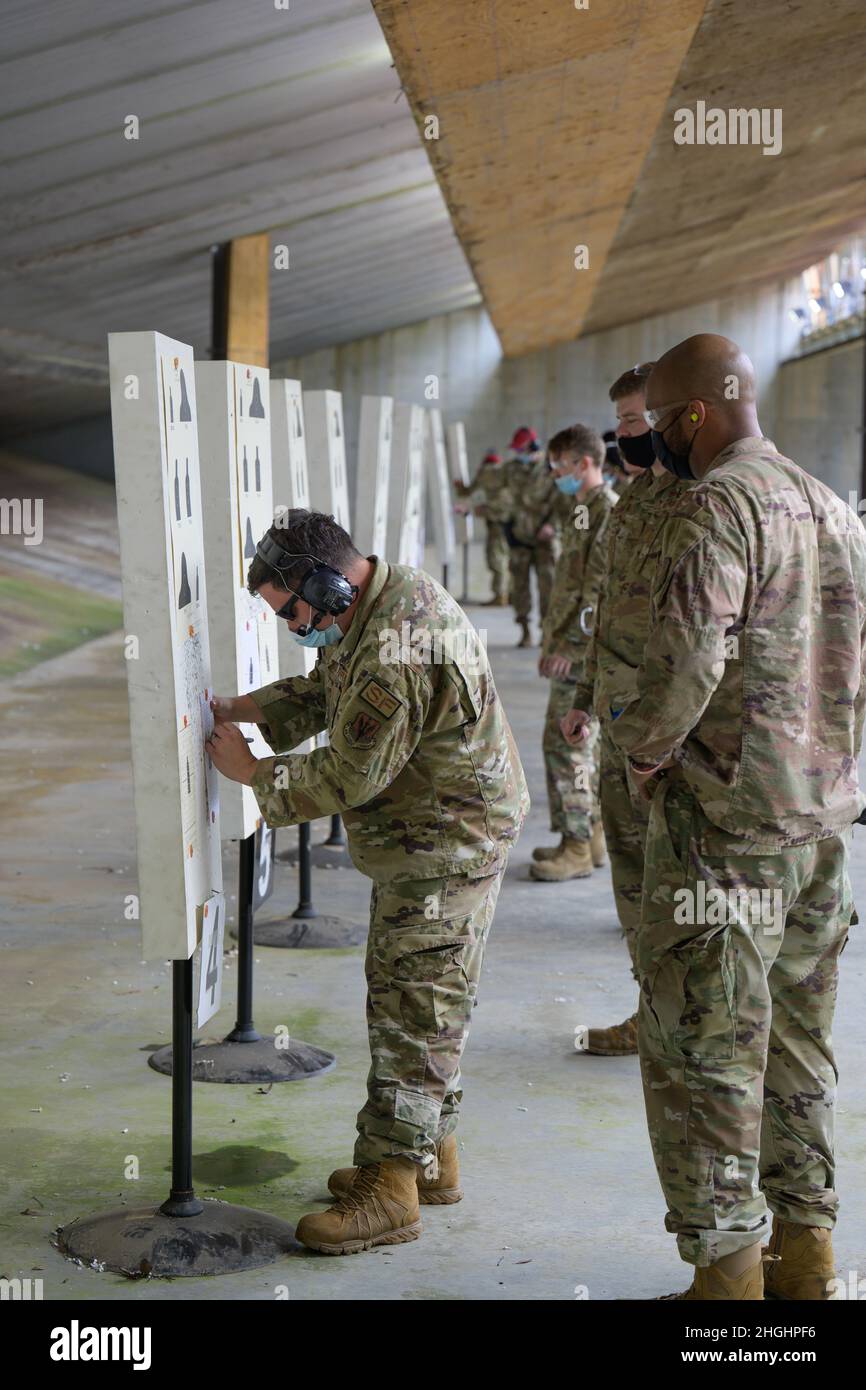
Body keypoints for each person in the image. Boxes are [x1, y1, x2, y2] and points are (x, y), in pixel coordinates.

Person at [589, 333, 866, 1299]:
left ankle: (729, 1279)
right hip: (820, 835)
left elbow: (686, 664)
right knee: (795, 1046)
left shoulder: (719, 505)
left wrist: (642, 750)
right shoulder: (833, 505)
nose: (657, 444)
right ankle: (807, 1258)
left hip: (726, 840)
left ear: (695, 416)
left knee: (702, 1052)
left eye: (662, 425)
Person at [206, 509, 528, 1256]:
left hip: (447, 842)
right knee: (426, 993)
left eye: (290, 611)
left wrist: (253, 774)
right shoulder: (377, 602)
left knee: (413, 1006)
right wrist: (242, 708)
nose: (293, 627)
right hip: (437, 832)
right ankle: (431, 1159)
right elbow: (328, 695)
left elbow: (352, 772)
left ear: (325, 583)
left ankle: (393, 1189)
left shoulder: (395, 645)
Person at [562, 364, 688, 1055]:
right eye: (621, 427)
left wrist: (663, 738)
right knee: (635, 883)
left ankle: (686, 1025)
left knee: (677, 888)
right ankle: (652, 1013)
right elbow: (606, 612)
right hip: (617, 728)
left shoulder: (701, 504)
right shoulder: (631, 506)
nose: (628, 438)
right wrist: (585, 698)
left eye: (638, 423)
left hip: (667, 738)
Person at [531, 424, 616, 881]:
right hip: (569, 648)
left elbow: (598, 592)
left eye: (559, 467)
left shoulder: (606, 512)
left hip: (582, 655)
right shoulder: (581, 509)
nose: (554, 475)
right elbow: (569, 587)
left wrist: (570, 646)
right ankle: (591, 834)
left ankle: (578, 845)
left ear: (584, 463)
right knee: (577, 746)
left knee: (568, 746)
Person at [503, 426, 560, 647]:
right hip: (519, 537)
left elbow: (563, 501)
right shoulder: (511, 470)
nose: (519, 453)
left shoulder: (551, 468)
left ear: (532, 446)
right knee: (519, 587)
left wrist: (553, 526)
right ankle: (525, 630)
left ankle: (546, 632)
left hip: (545, 539)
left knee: (549, 587)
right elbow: (498, 493)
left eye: (521, 449)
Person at [454, 448, 511, 605]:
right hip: (508, 522)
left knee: (496, 558)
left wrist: (478, 507)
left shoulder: (485, 472)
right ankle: (507, 594)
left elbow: (468, 492)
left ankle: (501, 595)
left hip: (497, 522)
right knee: (505, 558)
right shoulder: (506, 473)